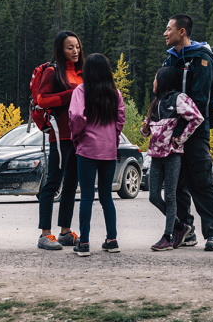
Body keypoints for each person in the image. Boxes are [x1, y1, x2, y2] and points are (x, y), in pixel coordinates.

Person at [162, 14, 213, 251]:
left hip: (196, 131)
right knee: (176, 184)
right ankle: (186, 230)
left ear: (182, 32)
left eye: (169, 29)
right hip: (172, 133)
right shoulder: (171, 59)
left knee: (201, 181)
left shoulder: (202, 58)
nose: (165, 33)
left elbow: (200, 99)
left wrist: (183, 127)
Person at [68, 53, 126, 257]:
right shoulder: (115, 94)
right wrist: (114, 137)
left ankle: (84, 243)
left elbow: (76, 115)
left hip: (87, 150)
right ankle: (112, 239)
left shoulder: (82, 91)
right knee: (106, 196)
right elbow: (120, 119)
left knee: (86, 195)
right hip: (108, 150)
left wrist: (77, 135)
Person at [141, 67, 205, 251]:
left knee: (170, 196)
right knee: (153, 196)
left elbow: (197, 118)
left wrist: (181, 138)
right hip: (154, 155)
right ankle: (180, 226)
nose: (153, 82)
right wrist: (145, 130)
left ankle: (168, 237)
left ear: (163, 80)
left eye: (155, 78)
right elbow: (150, 130)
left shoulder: (178, 98)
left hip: (171, 154)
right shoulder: (156, 103)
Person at [36, 31, 84, 250]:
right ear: (60, 50)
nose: (75, 51)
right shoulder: (52, 72)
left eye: (77, 46)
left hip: (80, 137)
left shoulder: (83, 72)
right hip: (60, 136)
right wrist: (71, 94)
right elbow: (42, 100)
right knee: (53, 183)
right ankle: (45, 234)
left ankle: (65, 231)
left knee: (71, 185)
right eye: (69, 47)